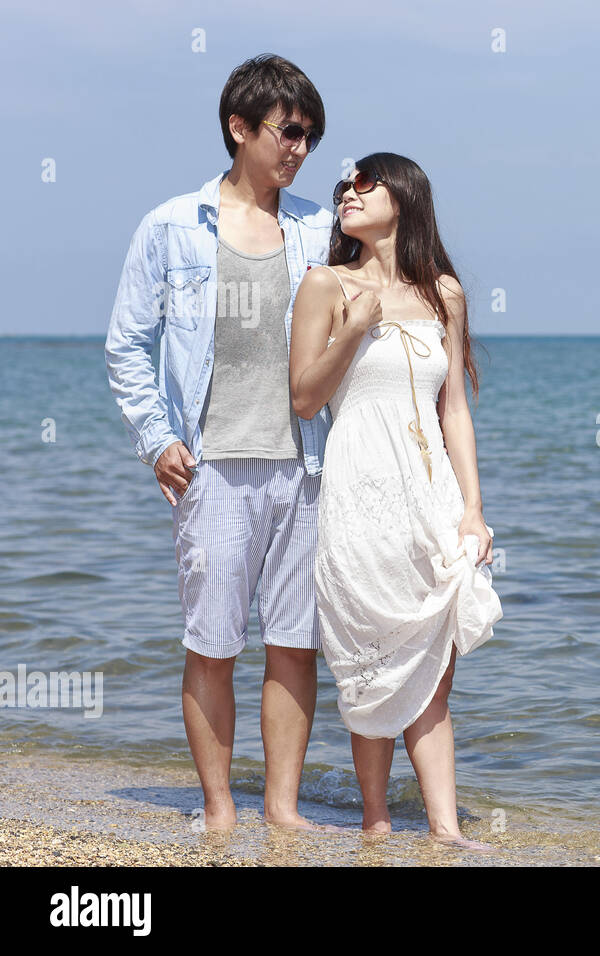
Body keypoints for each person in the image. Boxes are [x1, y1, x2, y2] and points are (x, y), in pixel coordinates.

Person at [104, 54, 334, 831]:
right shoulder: (170, 227)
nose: (300, 148)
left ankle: (283, 809)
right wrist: (156, 438)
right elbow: (126, 344)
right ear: (240, 127)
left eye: (310, 136)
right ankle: (217, 808)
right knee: (212, 646)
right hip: (213, 469)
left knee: (296, 645)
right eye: (289, 131)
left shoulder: (319, 230)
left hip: (308, 467)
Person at [289, 153, 502, 848]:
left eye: (364, 183)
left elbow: (456, 412)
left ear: (403, 197)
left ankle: (444, 827)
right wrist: (354, 326)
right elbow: (304, 396)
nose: (347, 192)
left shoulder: (446, 293)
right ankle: (376, 820)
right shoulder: (325, 284)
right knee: (366, 657)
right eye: (343, 186)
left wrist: (472, 509)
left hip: (430, 495)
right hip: (359, 491)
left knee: (432, 662)